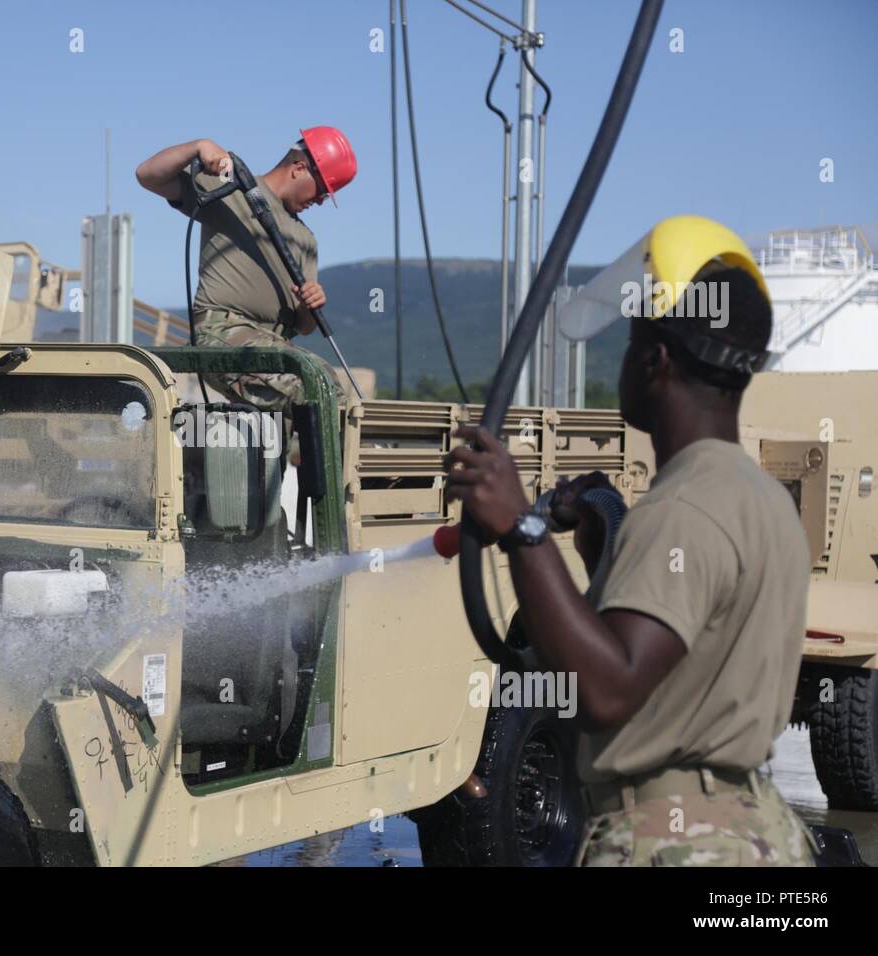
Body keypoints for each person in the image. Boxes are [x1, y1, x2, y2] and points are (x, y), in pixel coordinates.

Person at [444, 216, 817, 866]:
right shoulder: (757, 497)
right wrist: (606, 540)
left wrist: (521, 528)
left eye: (630, 343)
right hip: (751, 830)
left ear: (656, 361)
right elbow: (682, 644)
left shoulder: (683, 506)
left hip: (671, 839)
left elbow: (607, 690)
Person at [135, 129, 357, 459]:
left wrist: (311, 304)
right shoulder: (233, 189)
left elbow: (305, 325)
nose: (321, 200)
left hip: (274, 345)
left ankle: (298, 485)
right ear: (299, 167)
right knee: (313, 390)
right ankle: (336, 476)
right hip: (223, 333)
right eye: (323, 188)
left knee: (325, 390)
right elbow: (148, 175)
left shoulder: (304, 239)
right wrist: (199, 146)